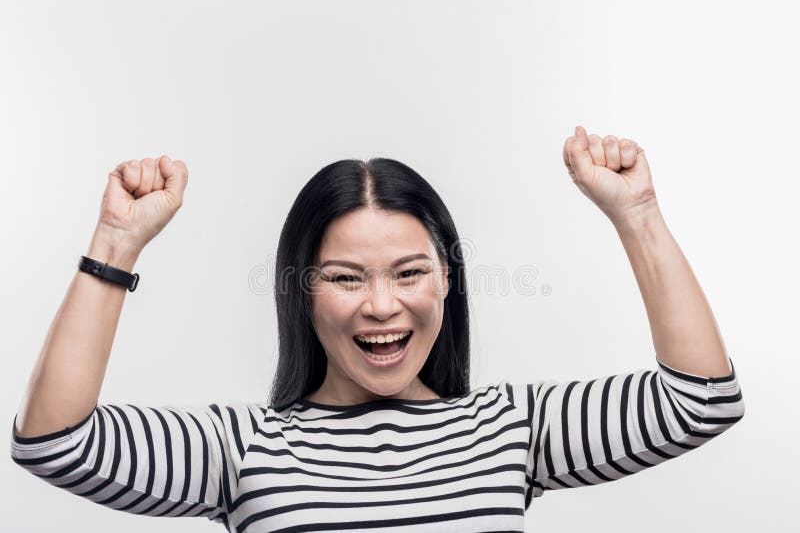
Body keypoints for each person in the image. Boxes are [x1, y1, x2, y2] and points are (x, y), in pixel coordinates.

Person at [10, 126, 745, 532]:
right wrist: (116, 241)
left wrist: (639, 216)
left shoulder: (512, 427)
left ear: (447, 281)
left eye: (409, 272)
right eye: (345, 277)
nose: (381, 305)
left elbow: (699, 402)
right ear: (302, 294)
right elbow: (54, 442)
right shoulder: (241, 448)